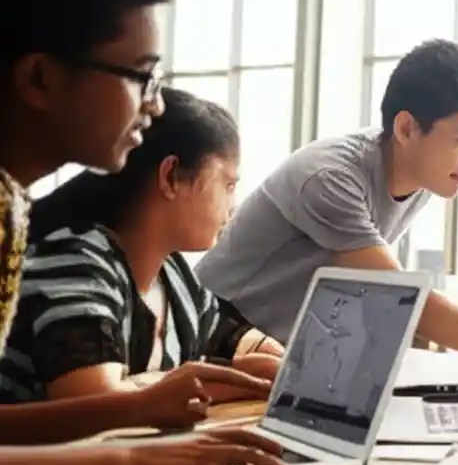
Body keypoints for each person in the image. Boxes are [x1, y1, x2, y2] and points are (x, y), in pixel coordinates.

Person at [0, 0, 286, 465]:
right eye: (140, 76)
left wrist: (143, 415)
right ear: (39, 81)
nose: (153, 107)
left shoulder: (11, 207)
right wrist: (129, 456)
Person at [195, 39, 458, 372]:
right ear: (406, 128)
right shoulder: (328, 178)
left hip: (279, 352)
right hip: (211, 339)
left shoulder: (422, 175)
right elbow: (408, 303)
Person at [1, 88, 284, 404]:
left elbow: (224, 334)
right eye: (228, 185)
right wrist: (238, 381)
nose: (233, 205)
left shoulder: (172, 273)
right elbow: (94, 400)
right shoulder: (73, 260)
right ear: (171, 176)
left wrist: (277, 359)